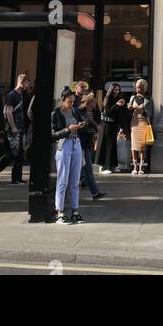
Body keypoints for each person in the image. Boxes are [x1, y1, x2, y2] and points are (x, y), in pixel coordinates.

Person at [51, 87, 84, 224]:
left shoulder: (75, 111)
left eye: (73, 101)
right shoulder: (56, 114)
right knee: (63, 179)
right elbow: (53, 135)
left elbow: (81, 121)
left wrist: (81, 125)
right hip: (63, 144)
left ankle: (75, 211)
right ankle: (60, 212)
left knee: (75, 180)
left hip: (76, 142)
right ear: (62, 100)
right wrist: (67, 130)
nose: (72, 104)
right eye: (69, 102)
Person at [0, 73, 30, 183]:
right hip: (14, 128)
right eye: (26, 83)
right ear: (21, 82)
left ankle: (17, 178)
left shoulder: (20, 95)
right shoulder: (12, 95)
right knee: (14, 152)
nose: (27, 86)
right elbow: (8, 112)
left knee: (20, 152)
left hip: (20, 127)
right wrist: (13, 127)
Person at [75, 89, 106, 201]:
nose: (94, 105)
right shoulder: (79, 112)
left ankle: (95, 192)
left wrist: (95, 129)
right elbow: (80, 128)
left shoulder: (91, 113)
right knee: (85, 169)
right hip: (80, 143)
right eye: (92, 102)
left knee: (87, 169)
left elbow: (92, 124)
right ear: (87, 103)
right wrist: (91, 130)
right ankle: (94, 192)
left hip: (86, 143)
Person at [96, 83, 127, 174]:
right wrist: (117, 105)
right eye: (115, 90)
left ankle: (113, 165)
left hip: (114, 125)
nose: (117, 92)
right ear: (111, 90)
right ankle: (104, 167)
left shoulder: (118, 99)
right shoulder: (108, 98)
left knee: (113, 146)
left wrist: (121, 126)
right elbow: (107, 112)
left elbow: (120, 114)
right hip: (107, 125)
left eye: (118, 90)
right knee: (106, 145)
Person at [128, 78, 154, 176]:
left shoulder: (148, 99)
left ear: (144, 87)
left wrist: (142, 111)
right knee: (134, 146)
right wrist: (130, 108)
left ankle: (141, 167)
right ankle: (134, 166)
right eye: (137, 87)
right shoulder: (132, 98)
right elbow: (128, 111)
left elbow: (150, 113)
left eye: (140, 87)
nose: (138, 88)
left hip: (144, 122)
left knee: (142, 146)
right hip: (134, 122)